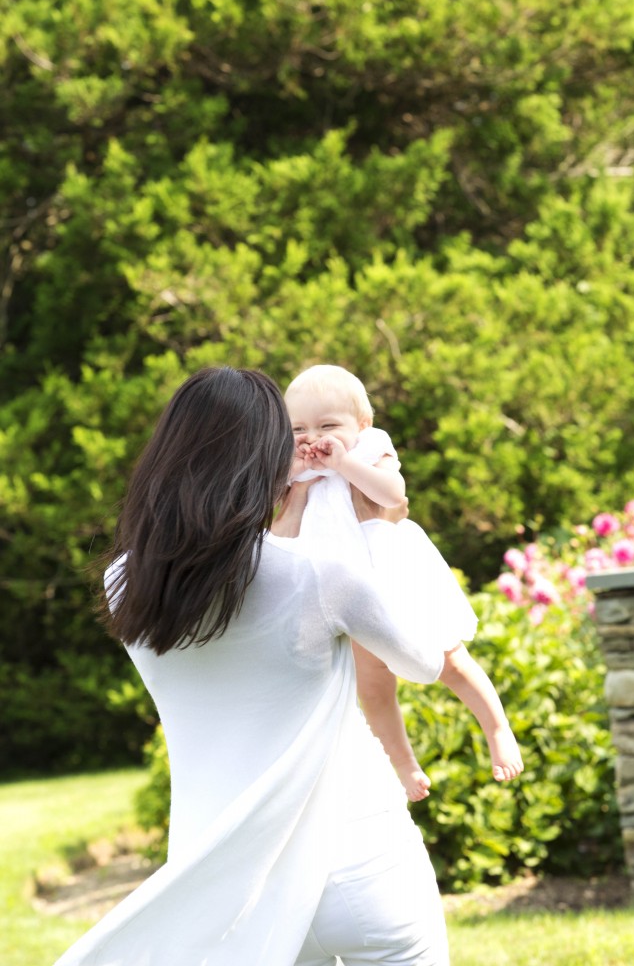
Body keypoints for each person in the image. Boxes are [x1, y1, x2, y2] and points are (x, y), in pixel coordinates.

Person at [53, 366, 454, 966]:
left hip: (230, 895)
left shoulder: (124, 582)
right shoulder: (321, 574)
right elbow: (423, 661)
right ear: (268, 458)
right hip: (359, 865)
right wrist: (384, 534)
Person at [284, 364, 523, 802]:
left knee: (450, 660)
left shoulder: (370, 449)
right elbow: (281, 535)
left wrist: (343, 462)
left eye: (328, 425)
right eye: (298, 427)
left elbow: (393, 496)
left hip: (395, 574)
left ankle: (497, 727)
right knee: (372, 685)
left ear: (362, 425)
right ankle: (403, 762)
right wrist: (294, 486)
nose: (313, 436)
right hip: (346, 591)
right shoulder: (292, 469)